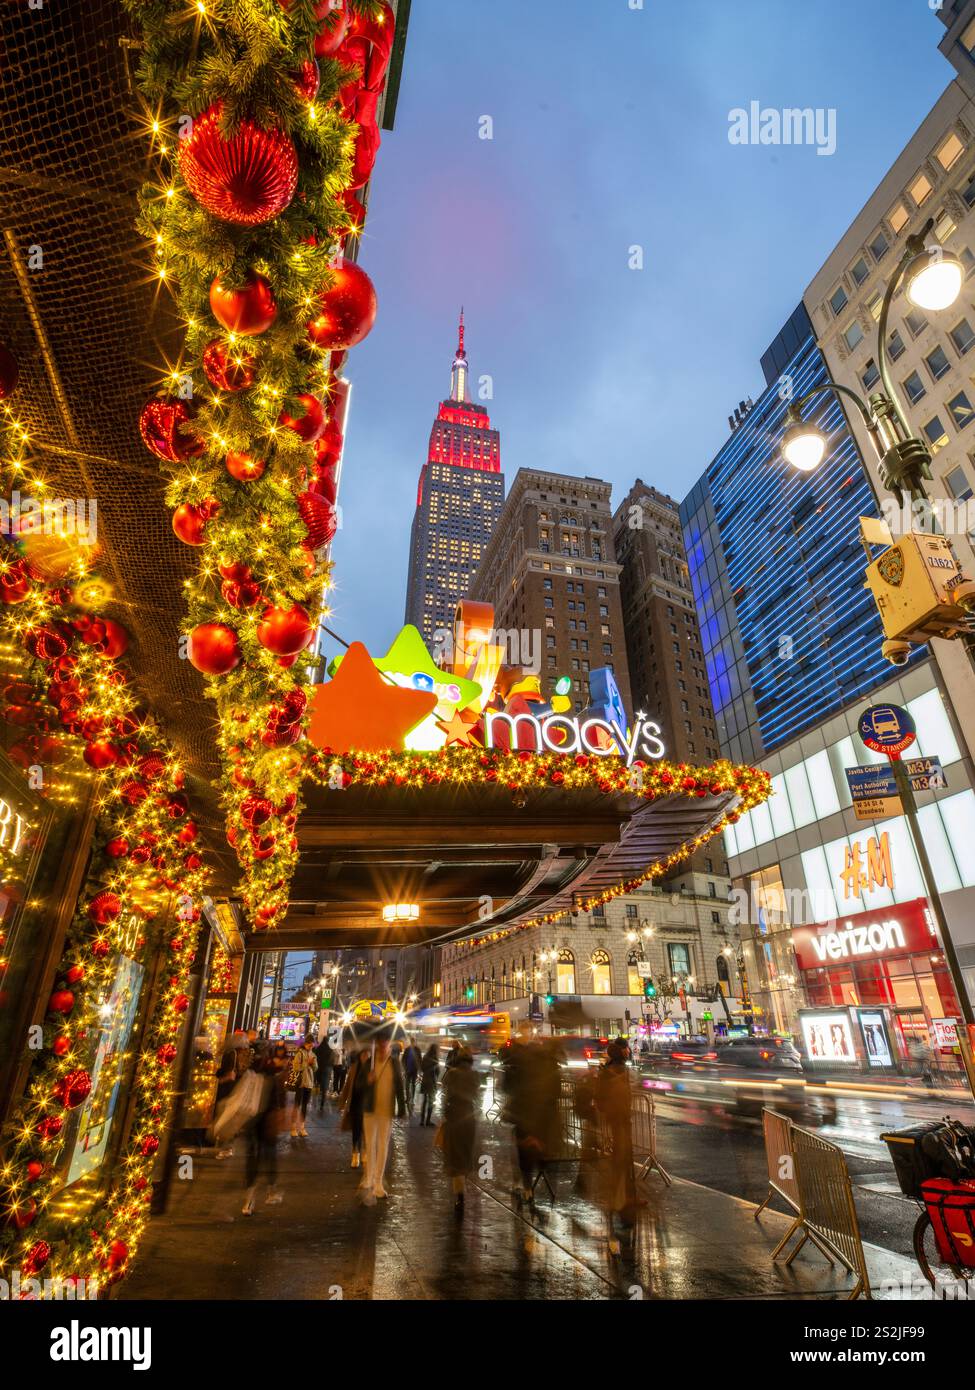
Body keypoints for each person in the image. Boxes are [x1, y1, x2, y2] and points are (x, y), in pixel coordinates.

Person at [593, 1040, 642, 1254]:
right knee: (622, 1161)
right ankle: (621, 1201)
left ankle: (624, 1198)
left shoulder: (610, 1070)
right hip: (620, 1121)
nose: (629, 1050)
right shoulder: (619, 1071)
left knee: (622, 1161)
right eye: (626, 1048)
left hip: (617, 1120)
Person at [242, 1042, 289, 1215]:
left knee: (252, 1159)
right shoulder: (273, 1075)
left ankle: (248, 1201)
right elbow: (279, 1099)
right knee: (270, 1157)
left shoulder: (251, 1074)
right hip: (267, 1123)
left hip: (251, 1121)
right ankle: (271, 1191)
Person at [359, 1033, 406, 1205]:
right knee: (370, 1145)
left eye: (385, 1042)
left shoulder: (394, 1063)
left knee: (382, 1146)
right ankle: (369, 1177)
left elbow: (400, 1087)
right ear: (376, 1044)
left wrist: (402, 1108)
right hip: (370, 1110)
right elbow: (358, 1086)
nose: (382, 1045)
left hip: (386, 1111)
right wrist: (367, 1080)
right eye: (380, 1042)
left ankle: (378, 1182)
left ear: (389, 1044)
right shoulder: (369, 1063)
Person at [441, 1047, 480, 1214]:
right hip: (469, 1119)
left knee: (455, 1157)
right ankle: (462, 1183)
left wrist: (445, 1115)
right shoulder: (475, 1075)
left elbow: (446, 1096)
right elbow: (476, 1096)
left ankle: (459, 1194)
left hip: (455, 1119)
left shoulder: (452, 1074)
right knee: (465, 1154)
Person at [214, 1031, 251, 1159]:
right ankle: (226, 1146)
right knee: (228, 1117)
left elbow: (224, 1071)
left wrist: (218, 1075)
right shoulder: (238, 1053)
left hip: (226, 1087)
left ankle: (225, 1147)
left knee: (225, 1117)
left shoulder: (230, 1053)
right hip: (233, 1088)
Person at [339, 1047, 371, 1169]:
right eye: (363, 1054)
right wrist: (342, 1102)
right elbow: (348, 1085)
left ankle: (364, 1151)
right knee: (356, 1130)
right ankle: (355, 1153)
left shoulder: (372, 1069)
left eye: (367, 1055)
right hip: (355, 1104)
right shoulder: (354, 1067)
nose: (365, 1057)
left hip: (368, 1105)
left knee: (366, 1130)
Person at [289, 1038, 317, 1137]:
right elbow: (296, 1068)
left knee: (305, 1106)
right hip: (300, 1083)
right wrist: (306, 1063)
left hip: (309, 1083)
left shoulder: (313, 1055)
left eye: (312, 1043)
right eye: (309, 1043)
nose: (310, 1045)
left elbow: (315, 1068)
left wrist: (313, 1064)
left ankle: (302, 1127)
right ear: (305, 1044)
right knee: (297, 1105)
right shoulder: (300, 1054)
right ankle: (293, 1128)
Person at [419, 1044, 440, 1126]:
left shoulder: (425, 1056)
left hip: (425, 1081)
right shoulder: (435, 1058)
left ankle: (422, 1120)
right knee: (431, 1101)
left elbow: (422, 1068)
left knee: (424, 1101)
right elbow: (437, 1072)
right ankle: (428, 1121)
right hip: (431, 1081)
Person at [314, 1036, 334, 1111]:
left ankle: (315, 1099)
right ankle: (322, 1102)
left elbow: (315, 1058)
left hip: (319, 1068)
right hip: (326, 1069)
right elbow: (332, 1060)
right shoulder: (330, 1050)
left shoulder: (318, 1049)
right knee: (325, 1086)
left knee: (318, 1083)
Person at [402, 1037, 422, 1112]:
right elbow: (403, 1059)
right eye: (411, 1041)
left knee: (413, 1084)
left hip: (414, 1070)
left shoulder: (417, 1050)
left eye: (413, 1041)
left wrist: (419, 1069)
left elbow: (420, 1059)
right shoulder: (407, 1049)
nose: (412, 1043)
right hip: (408, 1070)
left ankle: (412, 1099)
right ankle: (408, 1098)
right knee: (407, 1084)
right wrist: (405, 1068)